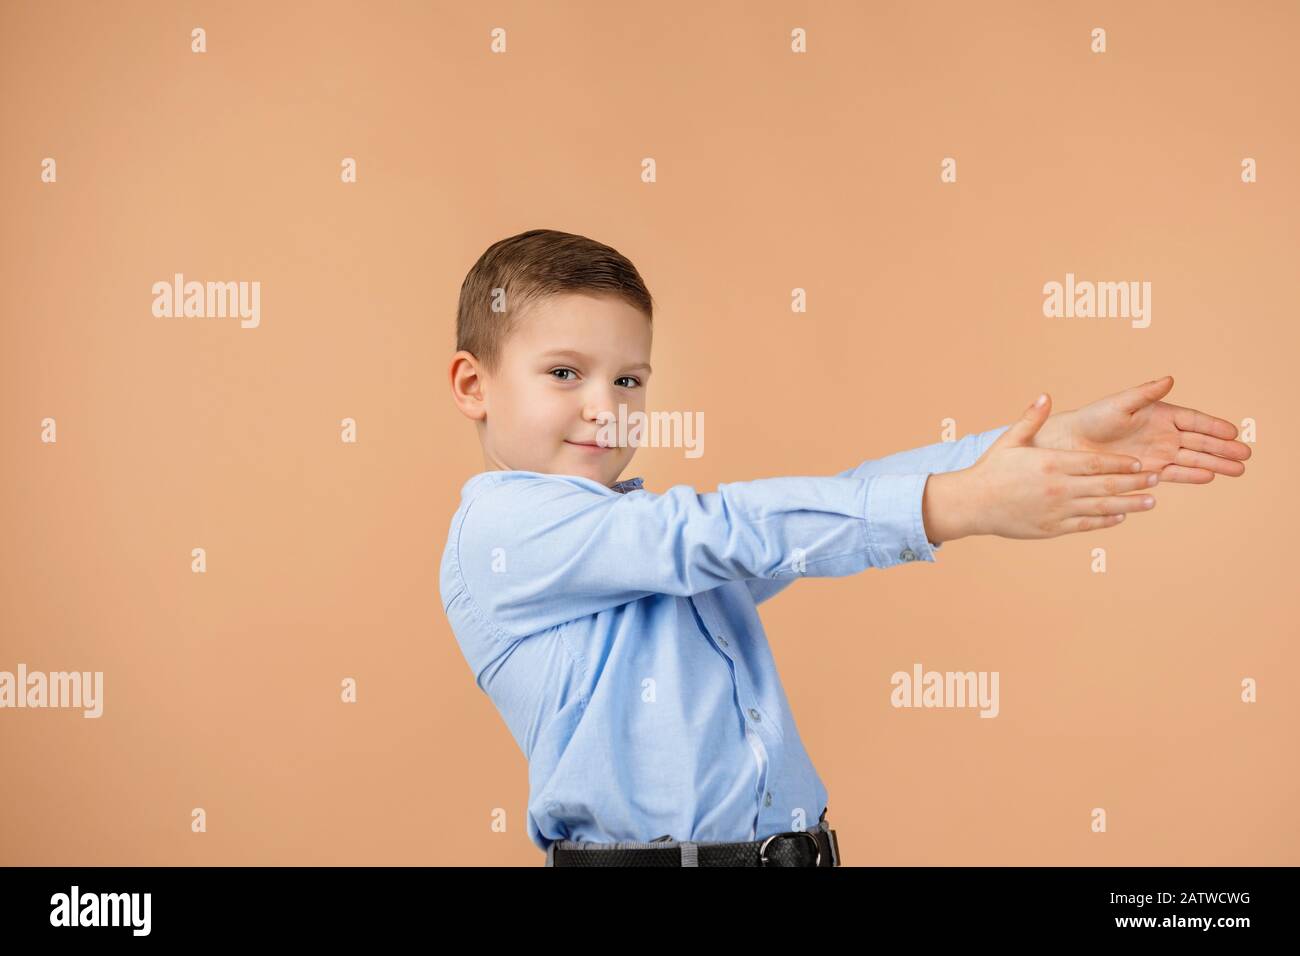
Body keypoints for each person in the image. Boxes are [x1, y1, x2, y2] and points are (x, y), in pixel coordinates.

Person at [439, 228, 1250, 866]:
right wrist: (955, 503)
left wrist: (1031, 446)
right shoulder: (507, 532)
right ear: (474, 385)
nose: (605, 407)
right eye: (564, 373)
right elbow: (719, 531)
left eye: (628, 380)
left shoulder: (650, 546)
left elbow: (817, 507)